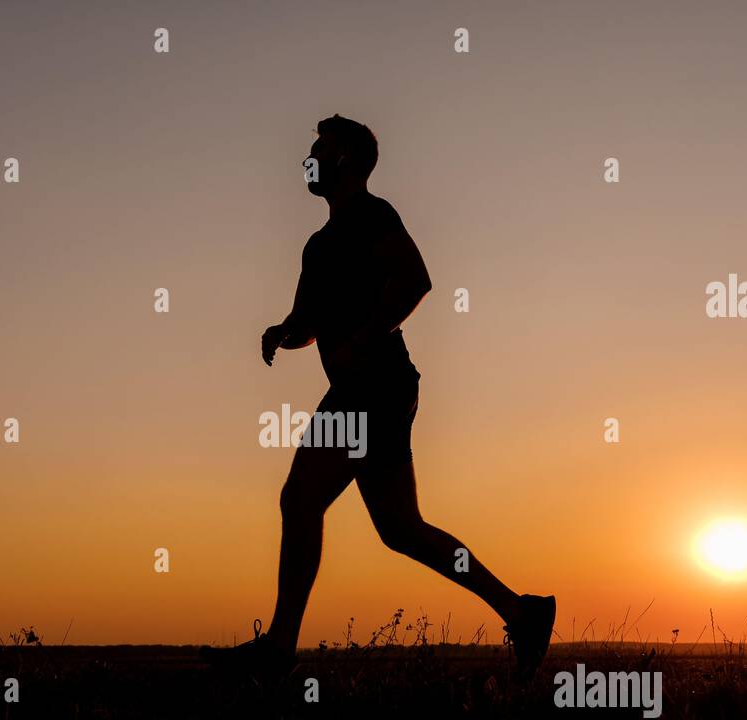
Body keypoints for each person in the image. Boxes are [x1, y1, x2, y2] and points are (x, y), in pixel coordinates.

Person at [203, 114, 555, 675]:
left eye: (317, 150)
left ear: (344, 160)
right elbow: (307, 322)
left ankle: (278, 648)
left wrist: (362, 339)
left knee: (300, 499)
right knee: (400, 529)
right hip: (366, 388)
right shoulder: (317, 246)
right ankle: (522, 611)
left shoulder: (372, 215)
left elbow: (415, 279)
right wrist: (283, 334)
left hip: (376, 386)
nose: (308, 161)